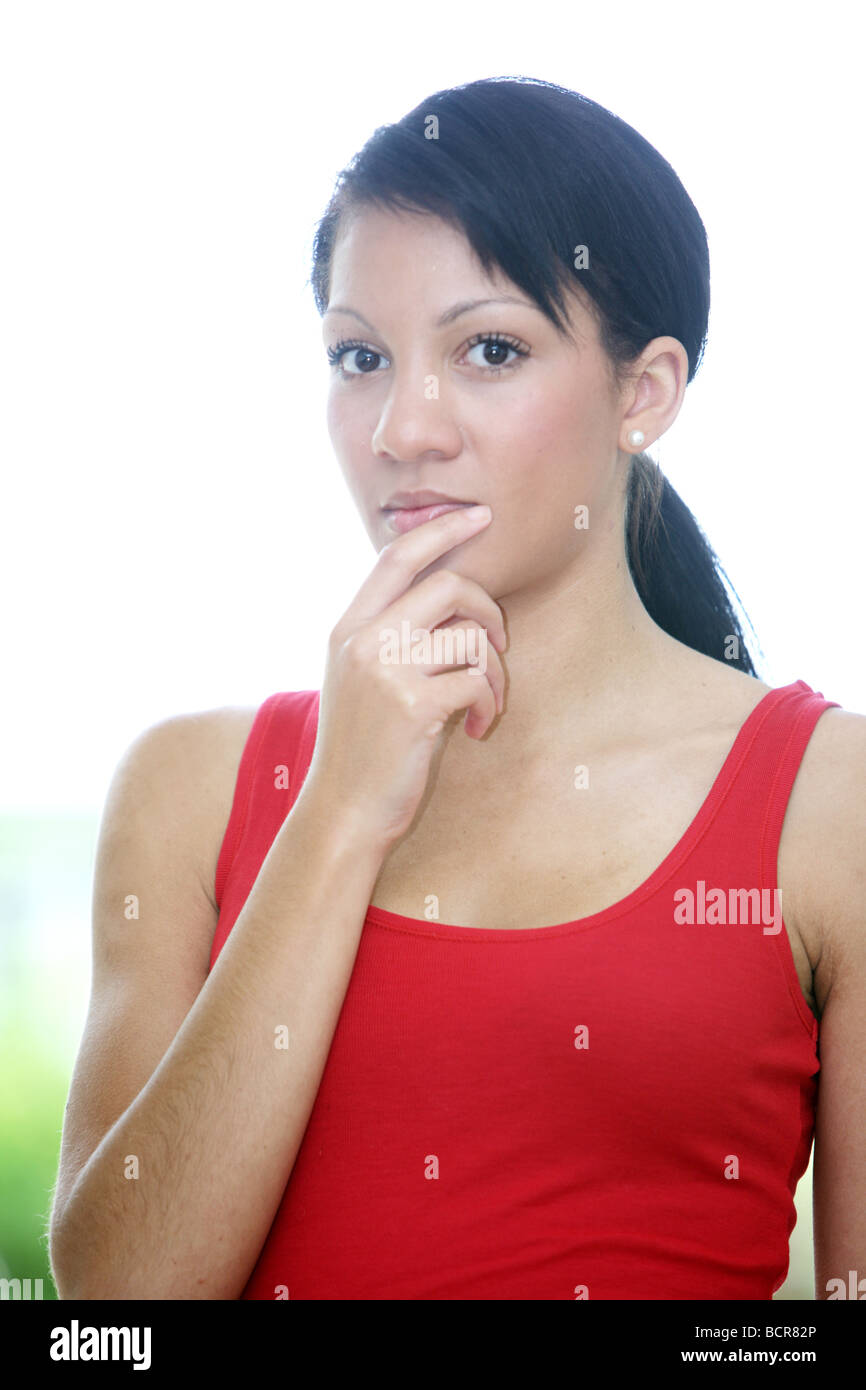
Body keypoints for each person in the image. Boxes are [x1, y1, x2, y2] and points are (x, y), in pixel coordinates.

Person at [48, 76, 865, 1301]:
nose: (402, 429)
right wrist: (337, 811)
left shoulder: (827, 805)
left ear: (642, 393)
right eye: (358, 356)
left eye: (487, 350)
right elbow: (116, 1307)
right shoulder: (190, 787)